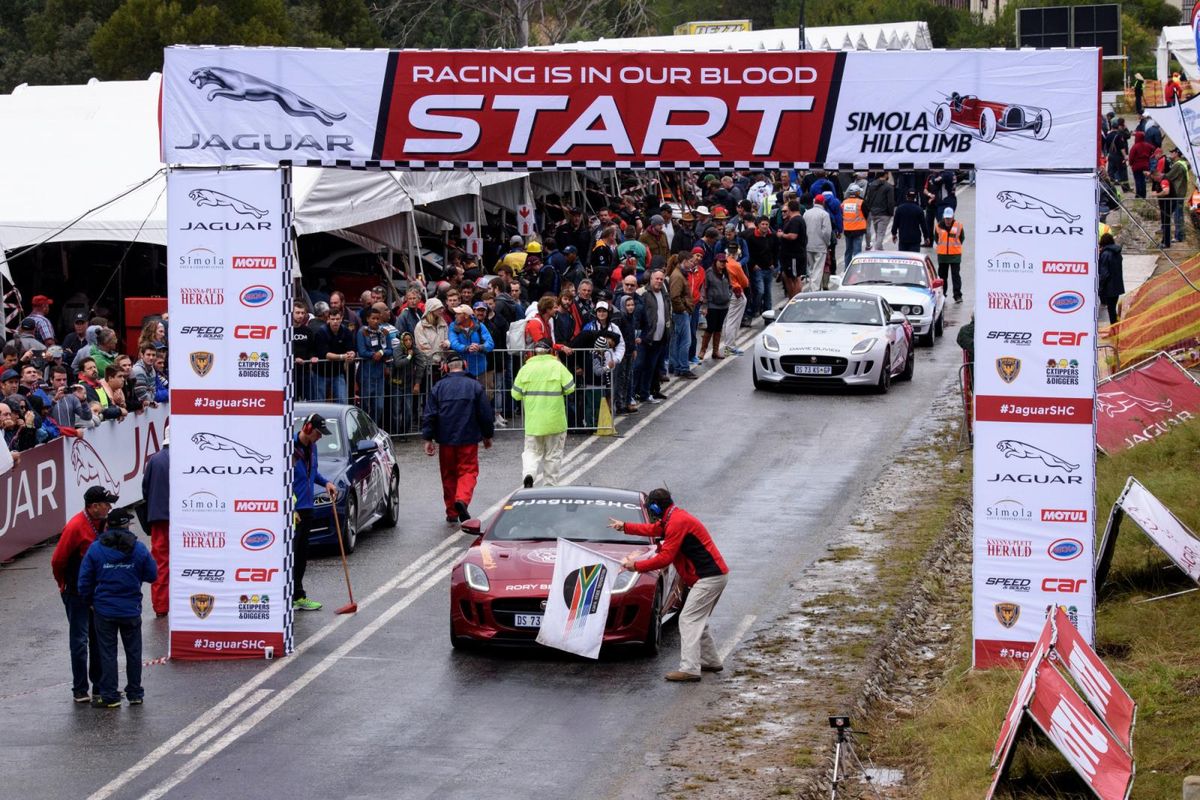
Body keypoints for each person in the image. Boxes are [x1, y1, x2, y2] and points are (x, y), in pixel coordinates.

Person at [609, 488, 729, 682]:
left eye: (651, 509)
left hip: (709, 578)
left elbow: (665, 558)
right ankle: (711, 661)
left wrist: (636, 566)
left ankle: (690, 668)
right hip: (712, 576)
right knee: (697, 619)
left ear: (656, 506)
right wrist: (625, 527)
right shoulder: (673, 517)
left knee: (688, 619)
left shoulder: (677, 522)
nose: (651, 514)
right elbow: (654, 529)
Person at [77, 507, 156, 707]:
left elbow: (84, 581)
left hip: (104, 610)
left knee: (107, 653)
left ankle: (110, 696)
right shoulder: (138, 549)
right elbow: (152, 575)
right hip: (130, 608)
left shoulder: (96, 549)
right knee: (133, 652)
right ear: (125, 526)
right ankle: (135, 693)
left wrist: (90, 602)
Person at [51, 486, 116, 703]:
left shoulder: (104, 523)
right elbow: (57, 560)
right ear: (94, 506)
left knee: (97, 638)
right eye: (106, 504)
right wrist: (64, 585)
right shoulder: (75, 526)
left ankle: (98, 686)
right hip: (75, 592)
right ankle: (80, 689)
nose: (110, 507)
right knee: (79, 640)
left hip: (96, 592)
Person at [421, 353, 495, 523]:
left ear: (446, 367)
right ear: (465, 365)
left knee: (448, 475)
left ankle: (452, 511)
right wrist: (487, 436)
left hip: (446, 440)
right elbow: (485, 414)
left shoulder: (438, 387)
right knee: (468, 471)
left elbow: (430, 414)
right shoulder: (475, 386)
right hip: (468, 438)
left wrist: (427, 439)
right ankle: (461, 499)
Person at [511, 339, 575, 488]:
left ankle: (529, 474)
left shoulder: (526, 369)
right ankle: (549, 487)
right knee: (553, 455)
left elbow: (515, 394)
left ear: (534, 352)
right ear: (551, 352)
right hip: (555, 421)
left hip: (533, 422)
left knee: (531, 452)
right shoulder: (557, 366)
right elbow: (570, 387)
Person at [292, 413, 338, 612]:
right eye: (319, 433)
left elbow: (314, 472)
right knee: (290, 555)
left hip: (307, 507)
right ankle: (287, 596)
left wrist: (326, 482)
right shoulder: (288, 448)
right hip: (293, 511)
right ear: (308, 428)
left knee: (302, 555)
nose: (320, 437)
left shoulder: (313, 448)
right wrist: (289, 508)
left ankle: (298, 596)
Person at [141, 427, 170, 617]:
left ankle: (160, 606)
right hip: (185, 518)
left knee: (160, 563)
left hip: (159, 518)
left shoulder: (155, 459)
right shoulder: (190, 459)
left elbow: (145, 489)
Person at [634, 269, 671, 404]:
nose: (659, 281)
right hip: (645, 338)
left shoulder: (664, 294)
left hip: (660, 338)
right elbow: (638, 315)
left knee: (651, 368)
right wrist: (639, 333)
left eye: (661, 279)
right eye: (657, 278)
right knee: (638, 367)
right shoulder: (644, 294)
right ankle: (632, 395)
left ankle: (645, 394)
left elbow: (666, 314)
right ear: (651, 279)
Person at [356, 306, 393, 424]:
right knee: (365, 405)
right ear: (367, 319)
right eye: (373, 318)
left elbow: (390, 350)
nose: (376, 321)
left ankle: (374, 427)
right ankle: (364, 428)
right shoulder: (362, 332)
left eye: (378, 318)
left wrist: (381, 352)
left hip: (379, 373)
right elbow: (361, 351)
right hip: (366, 372)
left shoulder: (384, 332)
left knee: (379, 406)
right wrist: (373, 355)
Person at [668, 252, 698, 378]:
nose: (693, 263)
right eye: (691, 261)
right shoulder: (678, 276)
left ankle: (676, 366)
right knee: (685, 341)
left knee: (677, 340)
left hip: (680, 312)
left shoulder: (679, 274)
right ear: (684, 261)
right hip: (680, 314)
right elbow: (675, 297)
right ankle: (683, 367)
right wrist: (683, 310)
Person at [699, 254, 731, 360]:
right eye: (720, 262)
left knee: (718, 328)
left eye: (724, 262)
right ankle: (703, 350)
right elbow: (704, 288)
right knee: (710, 327)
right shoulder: (709, 273)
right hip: (713, 305)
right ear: (715, 261)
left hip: (724, 305)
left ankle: (715, 351)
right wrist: (704, 305)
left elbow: (730, 285)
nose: (722, 264)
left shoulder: (726, 272)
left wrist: (729, 294)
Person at [935, 207, 966, 303]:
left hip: (955, 256)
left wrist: (954, 247)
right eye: (946, 218)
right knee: (942, 276)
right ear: (944, 217)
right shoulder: (938, 226)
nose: (948, 220)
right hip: (942, 256)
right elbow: (936, 239)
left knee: (955, 276)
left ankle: (957, 295)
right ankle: (942, 294)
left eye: (949, 218)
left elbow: (962, 238)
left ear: (953, 217)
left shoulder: (959, 226)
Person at [803, 194, 832, 292]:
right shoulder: (824, 214)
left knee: (811, 268)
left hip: (808, 244)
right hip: (820, 245)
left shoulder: (806, 214)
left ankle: (813, 287)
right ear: (823, 202)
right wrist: (827, 243)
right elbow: (826, 232)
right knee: (818, 269)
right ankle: (814, 290)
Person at [863, 171, 896, 251]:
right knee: (881, 233)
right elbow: (890, 201)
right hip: (884, 214)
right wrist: (891, 213)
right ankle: (877, 250)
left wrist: (870, 210)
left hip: (873, 213)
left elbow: (868, 199)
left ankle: (879, 248)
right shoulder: (889, 187)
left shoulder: (872, 185)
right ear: (885, 174)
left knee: (878, 232)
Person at [1098, 232, 1125, 325]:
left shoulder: (1105, 254)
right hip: (1117, 285)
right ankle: (1115, 327)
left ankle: (1114, 329)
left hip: (1109, 287)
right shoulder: (1117, 253)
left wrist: (1099, 287)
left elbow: (1104, 273)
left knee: (1111, 310)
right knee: (1113, 308)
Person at [841, 184, 867, 267]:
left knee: (848, 250)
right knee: (857, 252)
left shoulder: (844, 203)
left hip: (847, 229)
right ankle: (857, 269)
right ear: (857, 193)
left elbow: (841, 214)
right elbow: (866, 214)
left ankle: (846, 268)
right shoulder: (861, 202)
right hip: (858, 230)